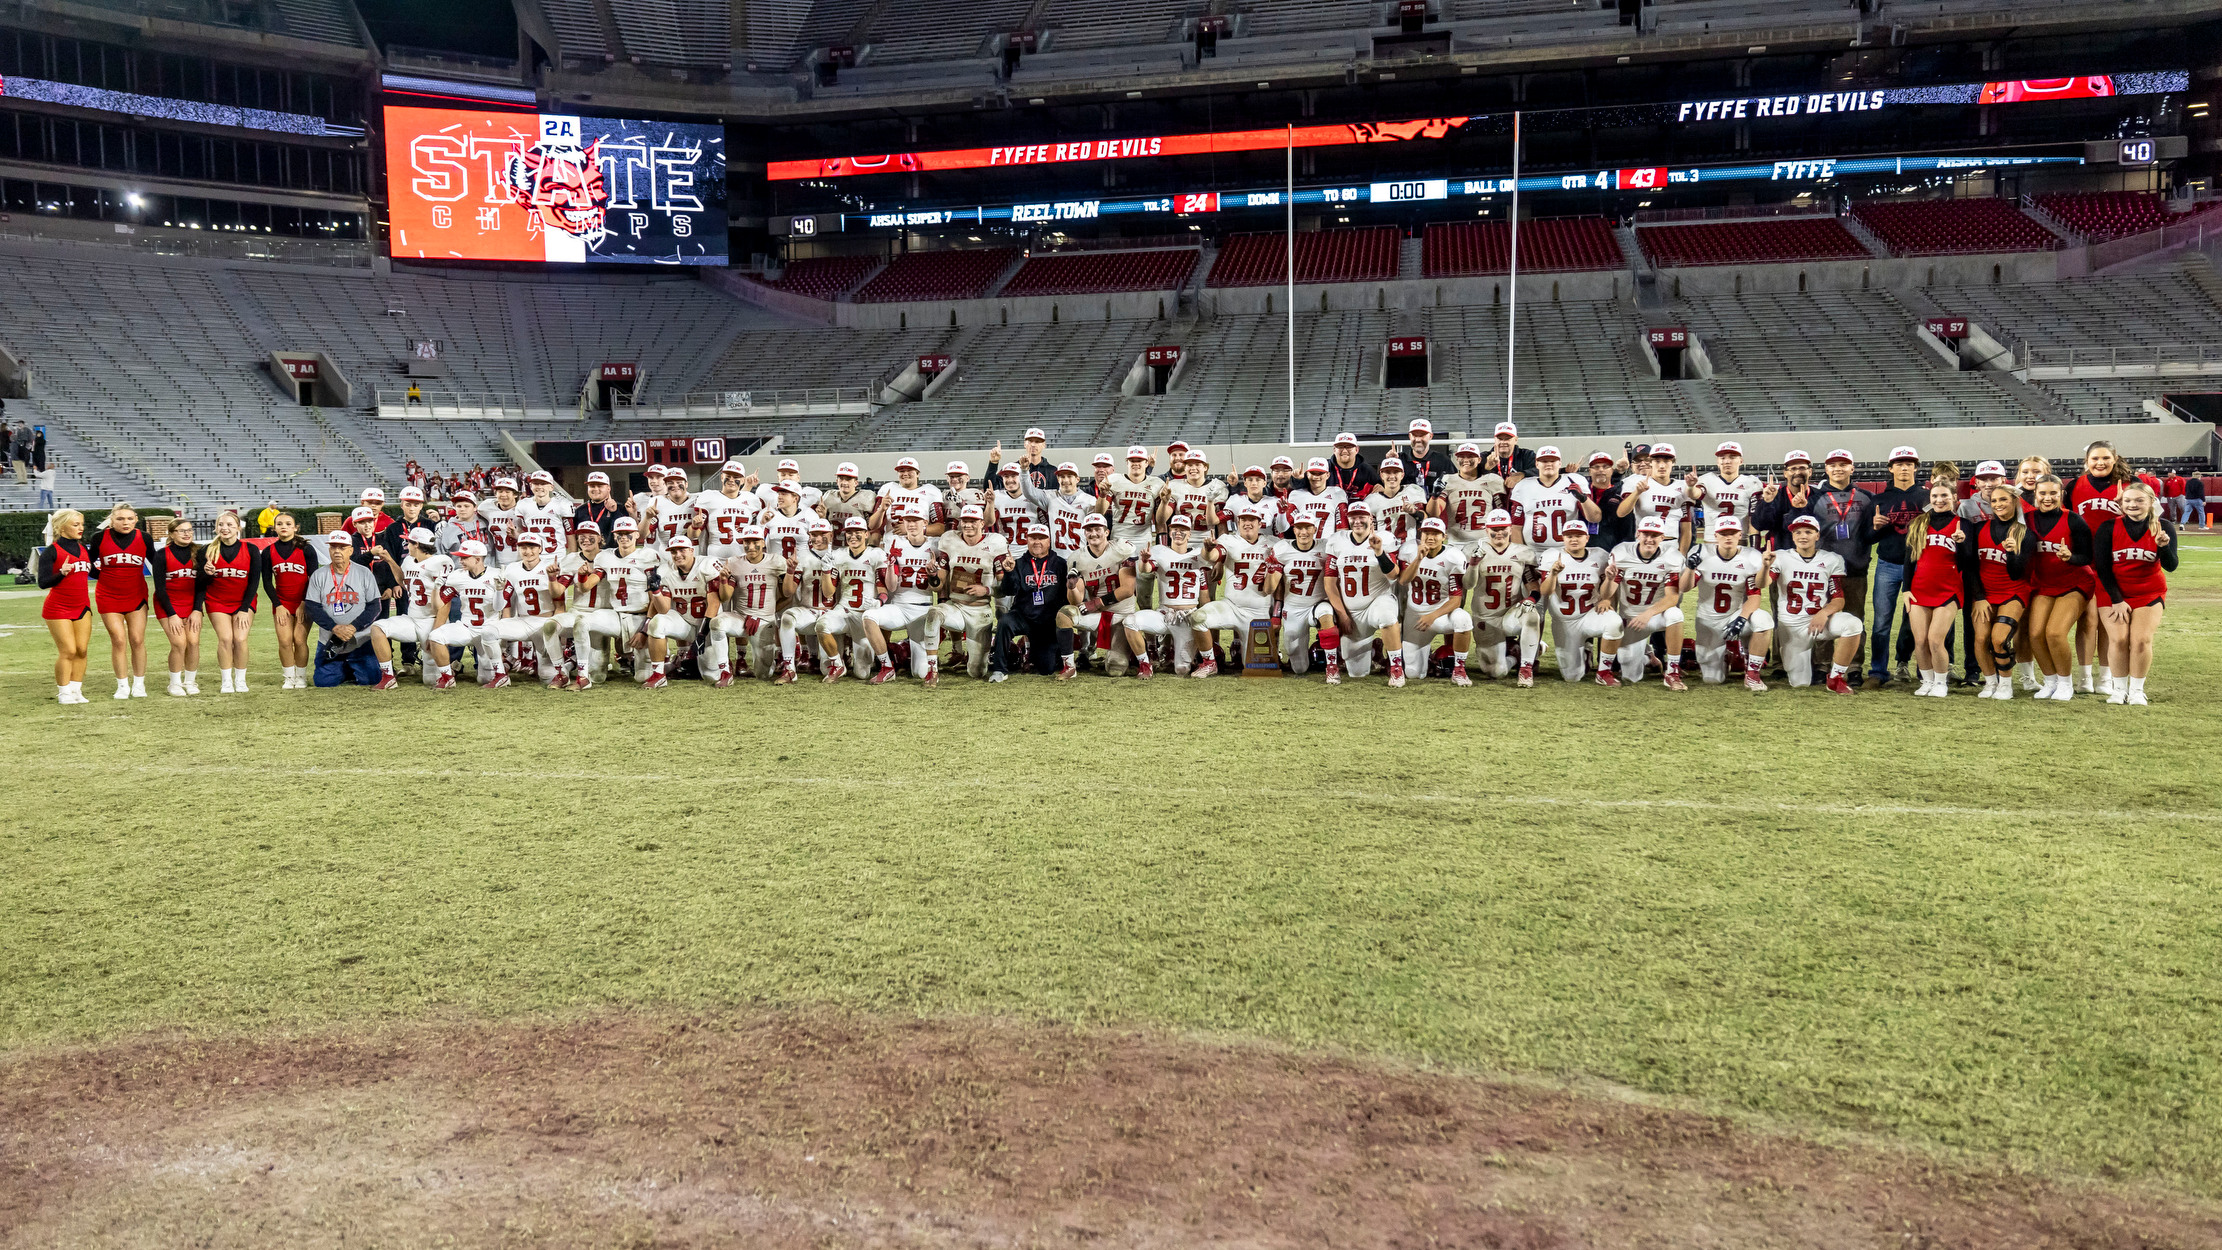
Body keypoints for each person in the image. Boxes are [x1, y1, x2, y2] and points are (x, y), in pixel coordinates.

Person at [2078, 479, 2175, 706]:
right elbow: (2101, 568)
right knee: (2119, 639)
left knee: (2141, 640)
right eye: (2128, 500)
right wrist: (2117, 600)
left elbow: (2171, 566)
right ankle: (2118, 689)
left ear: (2151, 502)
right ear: (2121, 503)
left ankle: (2137, 691)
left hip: (2149, 591)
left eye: (2139, 500)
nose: (2133, 504)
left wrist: (2164, 546)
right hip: (2113, 591)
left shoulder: (2164, 527)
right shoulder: (2108, 528)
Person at [1769, 516, 1861, 694]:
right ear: (1793, 536)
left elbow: (1838, 598)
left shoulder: (1831, 559)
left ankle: (1835, 678)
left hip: (1819, 623)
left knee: (1853, 624)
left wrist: (1824, 613)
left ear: (1817, 536)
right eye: (1798, 532)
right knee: (1800, 683)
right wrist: (1765, 567)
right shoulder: (1780, 557)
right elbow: (1761, 584)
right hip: (1792, 627)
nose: (1803, 536)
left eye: (1808, 532)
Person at [1862, 446, 1927, 689]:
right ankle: (1878, 671)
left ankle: (1925, 671)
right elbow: (1867, 538)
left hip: (1920, 566)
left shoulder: (1926, 497)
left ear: (1915, 467)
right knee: (1881, 623)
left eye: (1909, 463)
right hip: (1887, 564)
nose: (1904, 467)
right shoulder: (1878, 500)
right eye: (1899, 464)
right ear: (1890, 468)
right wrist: (1876, 527)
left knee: (1918, 623)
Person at [1900, 480, 1972, 698]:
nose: (1939, 500)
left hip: (1948, 589)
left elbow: (1968, 563)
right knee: (1919, 640)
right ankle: (1927, 680)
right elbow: (1909, 559)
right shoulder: (1919, 523)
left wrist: (1962, 544)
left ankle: (1941, 681)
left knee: (1935, 639)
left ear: (1954, 499)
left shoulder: (1964, 524)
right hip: (1919, 588)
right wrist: (1906, 589)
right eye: (1935, 497)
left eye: (1944, 496)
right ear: (1929, 500)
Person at [1317, 503, 1402, 685]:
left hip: (1377, 602)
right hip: (1352, 611)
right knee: (1357, 673)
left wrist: (1379, 552)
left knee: (1387, 616)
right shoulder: (1337, 540)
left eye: (1362, 517)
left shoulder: (1384, 539)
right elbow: (1330, 583)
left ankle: (1396, 668)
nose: (1357, 521)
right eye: (1353, 517)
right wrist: (1342, 614)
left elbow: (1394, 575)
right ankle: (1374, 650)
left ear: (1371, 518)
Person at [1688, 516, 1772, 691]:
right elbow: (1684, 587)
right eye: (1724, 533)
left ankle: (1753, 674)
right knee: (1713, 680)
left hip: (1736, 614)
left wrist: (1741, 619)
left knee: (1763, 620)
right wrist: (1689, 569)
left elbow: (1754, 596)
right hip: (1708, 620)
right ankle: (1729, 655)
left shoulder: (1751, 557)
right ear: (1715, 535)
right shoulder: (1701, 552)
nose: (1728, 537)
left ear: (1739, 534)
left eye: (1732, 533)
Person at [1193, 503, 1278, 677]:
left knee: (1257, 671)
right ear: (1237, 524)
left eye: (1252, 520)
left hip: (1259, 613)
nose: (1247, 523)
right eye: (1243, 520)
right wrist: (1208, 551)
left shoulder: (1273, 544)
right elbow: (1214, 555)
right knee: (1198, 617)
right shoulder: (1229, 541)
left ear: (1260, 524)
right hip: (1231, 607)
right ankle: (1209, 663)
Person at [1535, 519, 1622, 684]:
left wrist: (1607, 591)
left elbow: (1606, 591)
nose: (1574, 539)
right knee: (1572, 677)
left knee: (1615, 623)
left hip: (1590, 614)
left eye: (1578, 535)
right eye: (1569, 536)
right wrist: (1553, 574)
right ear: (1563, 538)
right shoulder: (1552, 556)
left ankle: (1604, 672)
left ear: (1587, 538)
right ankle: (1586, 649)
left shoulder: (1600, 555)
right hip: (1565, 621)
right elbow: (1545, 592)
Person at [1968, 483, 2033, 701]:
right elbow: (1970, 567)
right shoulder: (1979, 529)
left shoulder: (2025, 533)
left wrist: (2014, 552)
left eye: (2003, 500)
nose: (1998, 504)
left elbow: (2017, 574)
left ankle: (2006, 683)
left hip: (2013, 591)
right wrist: (1978, 598)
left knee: (1998, 639)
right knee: (1981, 639)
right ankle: (1990, 682)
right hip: (1985, 593)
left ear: (2015, 501)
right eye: (1994, 501)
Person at [1131, 517, 1216, 678]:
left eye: (1182, 529)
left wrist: (1204, 626)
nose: (1178, 532)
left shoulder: (1199, 554)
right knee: (1130, 622)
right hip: (1165, 614)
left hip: (1188, 617)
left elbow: (1204, 594)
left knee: (1182, 669)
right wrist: (1144, 560)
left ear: (1189, 534)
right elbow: (1146, 569)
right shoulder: (1159, 551)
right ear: (1170, 532)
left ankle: (1184, 652)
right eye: (1175, 529)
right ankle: (1145, 663)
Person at [869, 505, 945, 684]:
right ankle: (887, 667)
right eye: (908, 521)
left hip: (922, 608)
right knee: (869, 617)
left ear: (925, 522)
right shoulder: (894, 542)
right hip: (898, 606)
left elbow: (937, 587)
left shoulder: (936, 545)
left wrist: (933, 574)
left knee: (919, 673)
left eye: (916, 520)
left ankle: (902, 646)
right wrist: (889, 567)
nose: (911, 524)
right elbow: (891, 586)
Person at [369, 528, 452, 689]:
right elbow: (403, 581)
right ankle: (388, 677)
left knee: (431, 679)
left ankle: (448, 675)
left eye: (409, 542)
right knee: (378, 628)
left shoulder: (439, 562)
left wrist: (436, 632)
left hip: (432, 621)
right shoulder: (408, 561)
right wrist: (390, 561)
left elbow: (445, 603)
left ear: (417, 544)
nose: (407, 545)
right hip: (412, 619)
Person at [1609, 516, 1687, 689]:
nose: (1649, 539)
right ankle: (1648, 656)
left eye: (1655, 535)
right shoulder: (1621, 553)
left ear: (1663, 538)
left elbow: (1672, 597)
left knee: (1676, 614)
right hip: (1631, 618)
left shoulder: (1671, 557)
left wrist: (1648, 613)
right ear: (1638, 534)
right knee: (1630, 674)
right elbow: (1610, 593)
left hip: (1656, 615)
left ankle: (1672, 671)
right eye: (1646, 534)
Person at [934, 505, 1009, 680]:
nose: (968, 525)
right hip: (956, 607)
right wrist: (932, 577)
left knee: (977, 672)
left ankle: (982, 649)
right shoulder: (949, 540)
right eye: (965, 521)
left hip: (980, 609)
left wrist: (987, 589)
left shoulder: (995, 543)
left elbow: (1004, 588)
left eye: (973, 521)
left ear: (982, 523)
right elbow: (938, 584)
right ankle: (932, 668)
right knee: (934, 614)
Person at [1465, 510, 1541, 685]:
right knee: (1495, 671)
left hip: (1510, 615)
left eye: (1503, 528)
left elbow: (1533, 587)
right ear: (1486, 530)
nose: (1499, 533)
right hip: (1485, 617)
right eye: (1494, 529)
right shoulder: (1474, 550)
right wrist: (1474, 565)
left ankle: (1526, 668)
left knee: (1531, 614)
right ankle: (1515, 654)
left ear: (1510, 529)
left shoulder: (1523, 553)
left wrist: (1532, 599)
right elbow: (1468, 585)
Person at [1067, 513, 1148, 677]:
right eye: (1089, 530)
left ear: (1107, 532)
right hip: (1097, 616)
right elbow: (1076, 600)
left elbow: (1127, 589)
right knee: (1064, 615)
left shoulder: (1121, 548)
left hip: (1121, 616)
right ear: (1084, 533)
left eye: (1098, 529)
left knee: (1115, 667)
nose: (1093, 533)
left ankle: (1134, 647)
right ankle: (1068, 659)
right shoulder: (1076, 558)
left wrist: (1095, 603)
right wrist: (1072, 587)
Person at [1396, 517, 1474, 685]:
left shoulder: (1453, 557)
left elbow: (1455, 600)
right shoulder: (1409, 551)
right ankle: (1432, 658)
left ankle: (1459, 669)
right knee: (1413, 673)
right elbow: (1403, 581)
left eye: (1435, 534)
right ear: (1420, 534)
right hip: (1415, 614)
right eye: (1427, 533)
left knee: (1463, 619)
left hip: (1440, 614)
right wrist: (1418, 559)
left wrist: (1432, 616)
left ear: (1444, 536)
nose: (1430, 537)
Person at [990, 524, 1073, 681]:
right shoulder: (1019, 563)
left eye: (1042, 538)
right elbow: (1009, 591)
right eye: (1033, 538)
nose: (1037, 542)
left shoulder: (1061, 564)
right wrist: (1009, 573)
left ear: (1049, 541)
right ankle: (999, 669)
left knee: (1047, 668)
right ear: (1027, 540)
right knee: (1005, 621)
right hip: (1023, 616)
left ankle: (1030, 651)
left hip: (1048, 622)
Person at [87, 502, 153, 699]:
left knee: (137, 640)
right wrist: (106, 578)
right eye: (120, 519)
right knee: (118, 640)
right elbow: (88, 564)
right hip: (108, 595)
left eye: (130, 519)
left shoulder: (145, 538)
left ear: (136, 520)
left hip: (136, 595)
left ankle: (139, 684)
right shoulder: (99, 537)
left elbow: (158, 563)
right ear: (111, 520)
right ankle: (122, 685)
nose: (126, 522)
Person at [427, 539, 513, 689]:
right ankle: (447, 677)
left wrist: (499, 590)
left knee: (484, 678)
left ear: (478, 559)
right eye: (460, 557)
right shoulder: (457, 576)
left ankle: (501, 672)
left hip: (488, 630)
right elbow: (439, 607)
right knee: (435, 636)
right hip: (466, 627)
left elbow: (499, 607)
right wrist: (436, 589)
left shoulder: (496, 575)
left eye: (465, 557)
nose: (460, 560)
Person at [302, 531, 384, 687]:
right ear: (329, 550)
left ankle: (352, 665)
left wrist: (353, 627)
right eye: (333, 547)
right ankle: (347, 668)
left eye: (342, 547)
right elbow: (312, 607)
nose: (337, 551)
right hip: (330, 640)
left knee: (371, 679)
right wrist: (335, 628)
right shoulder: (319, 575)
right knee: (323, 682)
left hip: (360, 639)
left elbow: (375, 606)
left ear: (351, 551)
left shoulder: (364, 572)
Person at [645, 535, 726, 688]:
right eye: (674, 551)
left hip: (708, 625)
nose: (678, 555)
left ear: (691, 550)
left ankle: (691, 662)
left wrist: (701, 636)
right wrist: (656, 592)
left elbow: (714, 603)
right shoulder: (665, 569)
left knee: (710, 675)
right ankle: (658, 674)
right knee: (657, 622)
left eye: (682, 550)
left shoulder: (707, 565)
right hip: (684, 622)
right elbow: (664, 609)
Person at [817, 516, 891, 683]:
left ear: (866, 534)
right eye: (849, 533)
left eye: (857, 532)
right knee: (822, 625)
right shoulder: (838, 555)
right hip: (844, 609)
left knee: (862, 673)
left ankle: (850, 652)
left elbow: (883, 590)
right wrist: (826, 571)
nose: (853, 536)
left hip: (864, 615)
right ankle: (838, 664)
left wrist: (877, 602)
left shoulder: (876, 554)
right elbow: (829, 593)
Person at [199, 510, 263, 694]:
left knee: (240, 638)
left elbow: (254, 581)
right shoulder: (207, 550)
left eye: (229, 525)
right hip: (217, 601)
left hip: (244, 602)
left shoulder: (250, 549)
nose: (225, 528)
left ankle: (240, 680)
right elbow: (200, 584)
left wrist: (244, 608)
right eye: (221, 524)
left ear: (238, 528)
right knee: (226, 639)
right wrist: (206, 573)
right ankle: (226, 681)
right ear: (216, 527)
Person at [36, 509, 94, 703]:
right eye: (75, 525)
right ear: (61, 527)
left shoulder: (84, 549)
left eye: (82, 524)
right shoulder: (51, 551)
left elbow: (94, 573)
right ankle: (64, 692)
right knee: (68, 650)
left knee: (81, 650)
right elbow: (43, 582)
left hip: (82, 607)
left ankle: (76, 690)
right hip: (58, 607)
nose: (80, 528)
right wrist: (61, 573)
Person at [1265, 513, 1332, 676]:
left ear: (1315, 529)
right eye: (1299, 528)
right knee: (1299, 668)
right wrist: (1277, 614)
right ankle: (1313, 652)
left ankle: (1333, 664)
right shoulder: (1282, 549)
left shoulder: (1326, 547)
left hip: (1319, 603)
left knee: (1327, 614)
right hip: (1293, 607)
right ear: (1294, 530)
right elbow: (1271, 588)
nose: (1304, 532)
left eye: (1308, 527)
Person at [261, 513, 319, 690]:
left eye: (288, 523)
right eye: (279, 524)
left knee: (299, 639)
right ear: (274, 527)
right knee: (285, 641)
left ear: (295, 527)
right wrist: (277, 605)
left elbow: (314, 579)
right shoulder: (268, 552)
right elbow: (266, 582)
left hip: (304, 601)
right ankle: (289, 677)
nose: (283, 526)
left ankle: (300, 677)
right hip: (282, 603)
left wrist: (304, 602)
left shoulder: (307, 549)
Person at [149, 517, 204, 696]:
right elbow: (160, 588)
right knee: (179, 643)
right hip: (167, 604)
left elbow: (202, 584)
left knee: (193, 642)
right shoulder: (162, 554)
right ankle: (174, 683)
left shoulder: (199, 553)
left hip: (191, 603)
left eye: (189, 530)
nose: (187, 534)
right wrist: (171, 614)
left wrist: (197, 609)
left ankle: (190, 681)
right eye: (182, 531)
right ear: (172, 534)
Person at [1507, 446, 1598, 553]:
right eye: (1544, 461)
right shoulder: (1523, 486)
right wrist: (1523, 557)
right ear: (1537, 464)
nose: (1549, 464)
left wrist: (1583, 498)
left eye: (1553, 460)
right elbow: (1516, 528)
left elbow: (1593, 518)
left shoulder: (1574, 481)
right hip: (1533, 552)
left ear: (1560, 463)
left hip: (1567, 552)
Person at [1434, 442, 1506, 555]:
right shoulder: (1448, 480)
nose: (1466, 460)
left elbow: (1503, 512)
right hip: (1455, 543)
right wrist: (1435, 496)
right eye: (1462, 456)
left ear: (1479, 459)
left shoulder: (1493, 480)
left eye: (1470, 456)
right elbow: (1435, 512)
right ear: (1456, 459)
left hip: (1484, 542)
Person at [1361, 454, 1428, 547]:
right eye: (1388, 472)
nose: (1392, 476)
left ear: (1402, 475)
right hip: (1384, 548)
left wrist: (1414, 512)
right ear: (1381, 475)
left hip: (1409, 547)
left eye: (1396, 472)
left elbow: (1425, 519)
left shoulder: (1413, 491)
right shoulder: (1371, 500)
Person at [1398, 418, 1455, 497]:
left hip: (1434, 506)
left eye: (1422, 435)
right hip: (1406, 507)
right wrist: (1391, 461)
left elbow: (1455, 485)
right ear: (1409, 436)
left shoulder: (1443, 461)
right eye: (1414, 435)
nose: (1418, 439)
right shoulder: (1400, 460)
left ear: (1430, 436)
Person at [572, 470, 625, 542]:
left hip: (612, 552)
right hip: (588, 551)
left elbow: (623, 533)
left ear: (608, 488)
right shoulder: (580, 510)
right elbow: (574, 537)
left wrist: (615, 512)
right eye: (592, 486)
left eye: (600, 486)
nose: (596, 489)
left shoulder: (620, 508)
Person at [1324, 432, 1379, 499]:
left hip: (1358, 508)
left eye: (1349, 447)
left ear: (1356, 449)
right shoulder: (1325, 467)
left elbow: (1387, 489)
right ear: (1334, 449)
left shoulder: (1367, 471)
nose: (1344, 451)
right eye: (1340, 447)